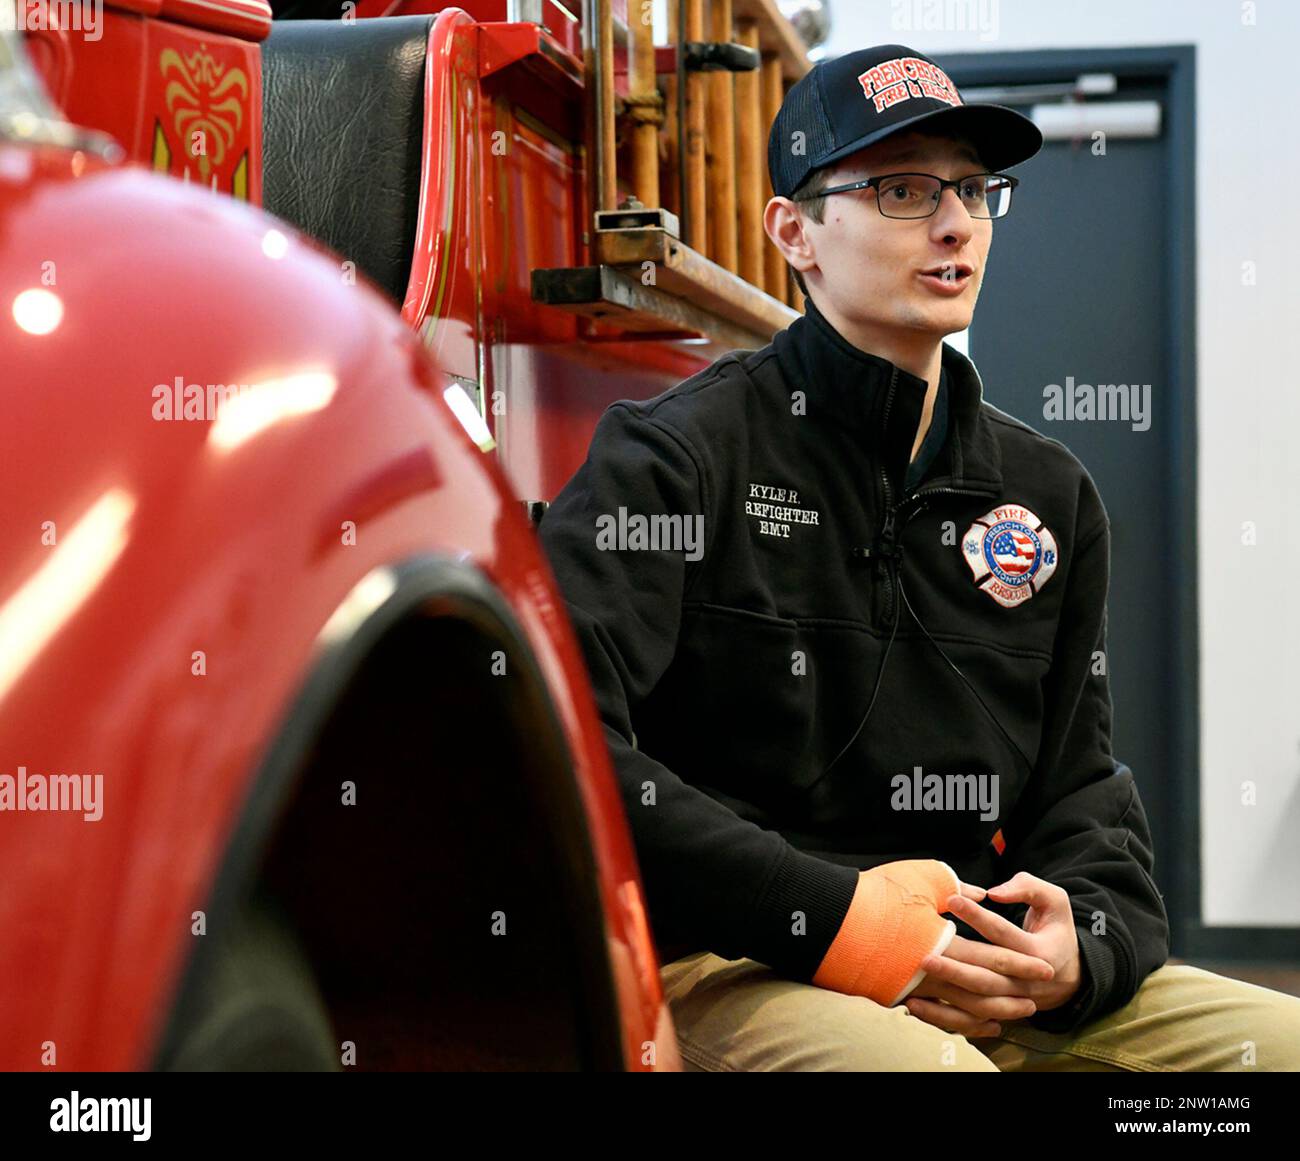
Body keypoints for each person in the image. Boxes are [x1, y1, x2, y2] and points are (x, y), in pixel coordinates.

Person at [537, 43, 1300, 1070]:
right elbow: (567, 748)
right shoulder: (675, 457)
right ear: (793, 233)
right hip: (738, 959)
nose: (954, 224)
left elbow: (1081, 793)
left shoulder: (1046, 495)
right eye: (900, 189)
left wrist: (1086, 940)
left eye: (972, 190)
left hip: (973, 958)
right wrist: (846, 920)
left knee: (1276, 1046)